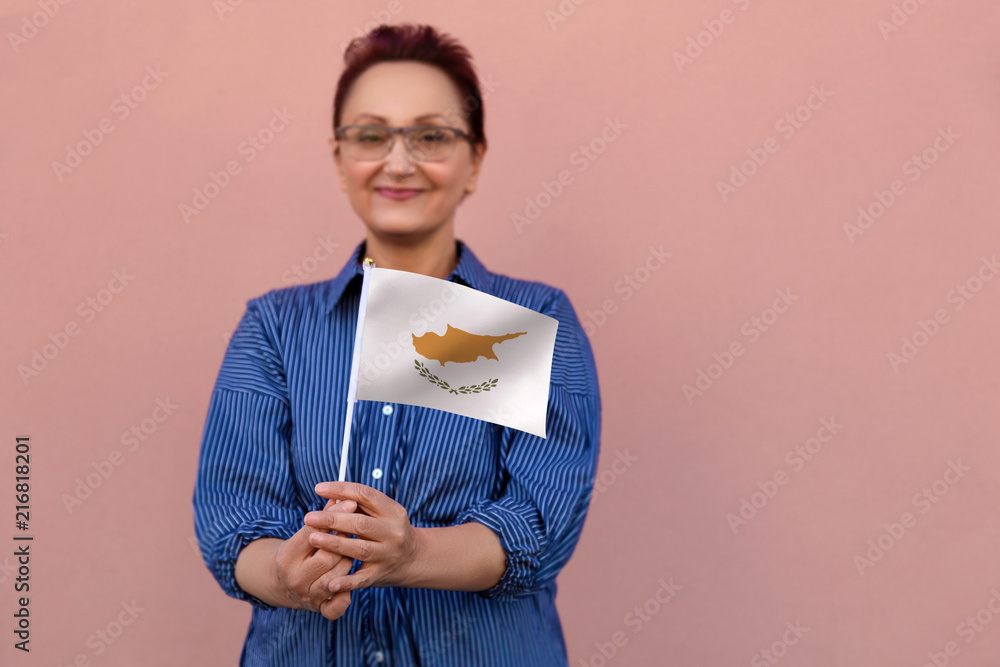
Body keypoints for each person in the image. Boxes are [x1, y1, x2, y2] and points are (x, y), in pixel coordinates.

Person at [193, 23, 601, 666]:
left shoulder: (529, 319)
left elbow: (537, 525)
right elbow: (233, 514)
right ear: (340, 160)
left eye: (431, 136)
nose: (400, 161)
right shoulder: (276, 326)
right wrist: (284, 574)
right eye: (371, 135)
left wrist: (412, 554)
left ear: (475, 160)